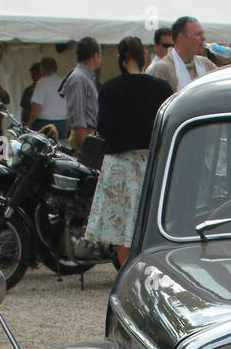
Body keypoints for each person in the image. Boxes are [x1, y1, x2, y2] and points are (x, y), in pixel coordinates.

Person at [84, 36, 171, 266]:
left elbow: (103, 128)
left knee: (121, 229)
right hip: (151, 165)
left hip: (120, 166)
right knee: (151, 225)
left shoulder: (109, 88)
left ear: (120, 57)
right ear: (144, 55)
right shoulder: (161, 88)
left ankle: (125, 273)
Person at [147, 16, 216, 93]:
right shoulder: (162, 69)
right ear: (181, 37)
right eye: (198, 34)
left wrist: (226, 62)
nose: (203, 38)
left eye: (203, 33)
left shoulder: (205, 63)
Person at [62, 36, 102, 151]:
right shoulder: (78, 78)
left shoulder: (87, 77)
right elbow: (78, 117)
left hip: (89, 134)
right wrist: (87, 148)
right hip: (83, 135)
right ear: (95, 55)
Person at [28, 56, 68, 137]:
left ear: (42, 68)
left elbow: (37, 106)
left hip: (44, 123)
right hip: (62, 122)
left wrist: (30, 123)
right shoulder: (62, 82)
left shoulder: (42, 82)